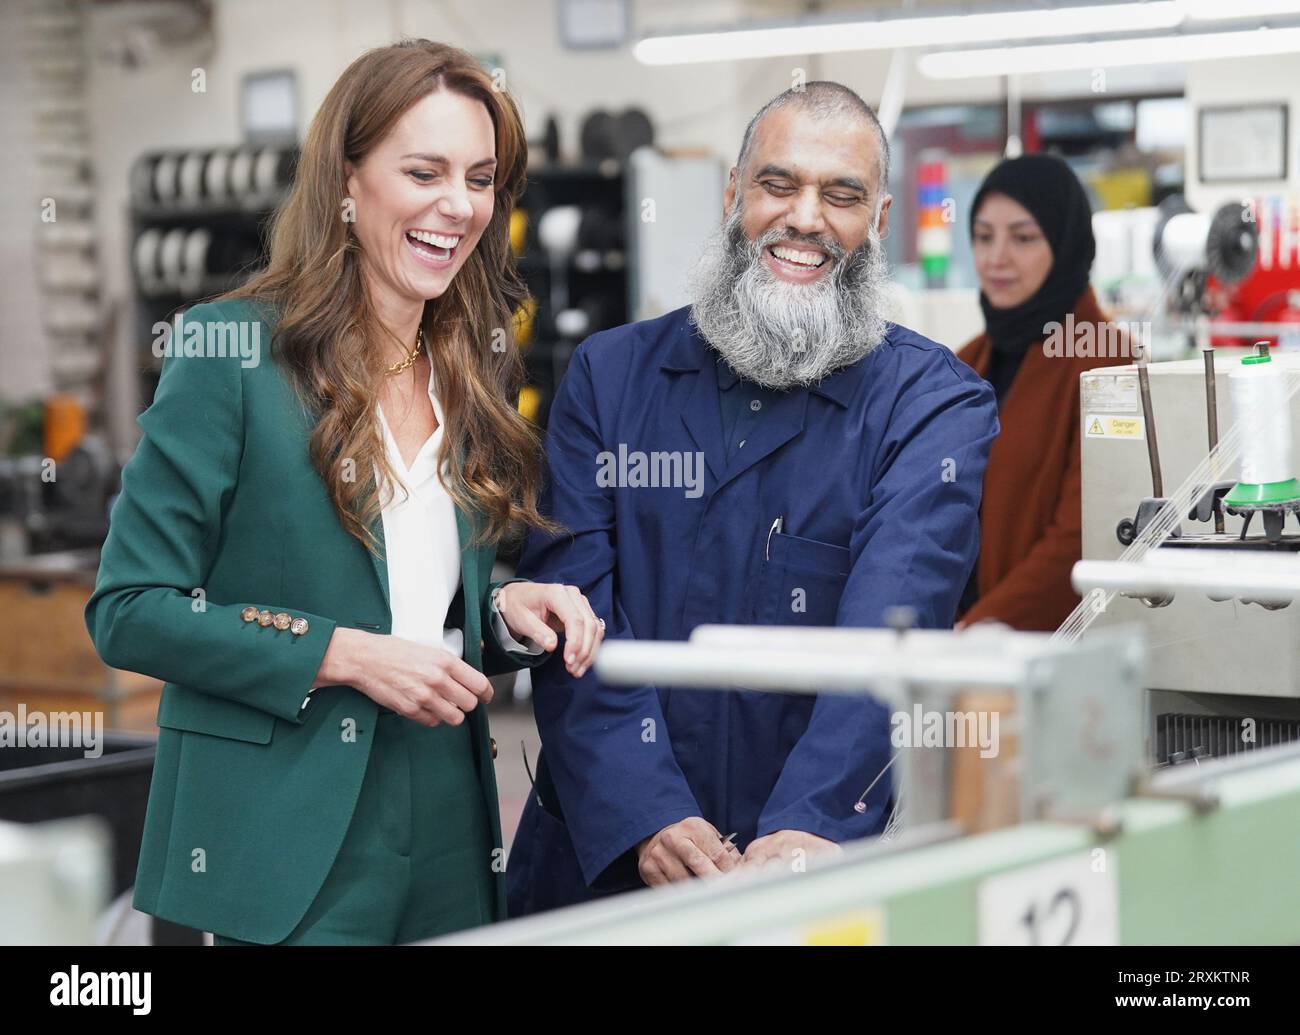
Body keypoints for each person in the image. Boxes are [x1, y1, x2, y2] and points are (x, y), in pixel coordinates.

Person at [84, 39, 604, 946]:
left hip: (448, 815)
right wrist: (344, 655)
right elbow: (130, 609)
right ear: (346, 183)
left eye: (480, 178)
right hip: (283, 832)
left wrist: (509, 612)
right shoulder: (229, 353)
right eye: (424, 170)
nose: (459, 204)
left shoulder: (465, 369)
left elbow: (426, 604)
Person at [505, 82, 999, 915]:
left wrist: (806, 827)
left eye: (840, 195)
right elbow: (573, 614)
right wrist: (647, 812)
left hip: (807, 872)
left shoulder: (933, 407)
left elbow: (891, 633)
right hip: (599, 862)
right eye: (778, 184)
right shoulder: (612, 377)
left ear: (877, 221)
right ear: (734, 195)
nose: (805, 218)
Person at [955, 154, 1131, 631]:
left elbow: (1084, 539)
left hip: (1044, 653)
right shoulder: (964, 363)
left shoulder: (1111, 363)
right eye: (984, 236)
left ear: (1065, 241)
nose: (997, 257)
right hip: (952, 645)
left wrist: (975, 634)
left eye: (1024, 237)